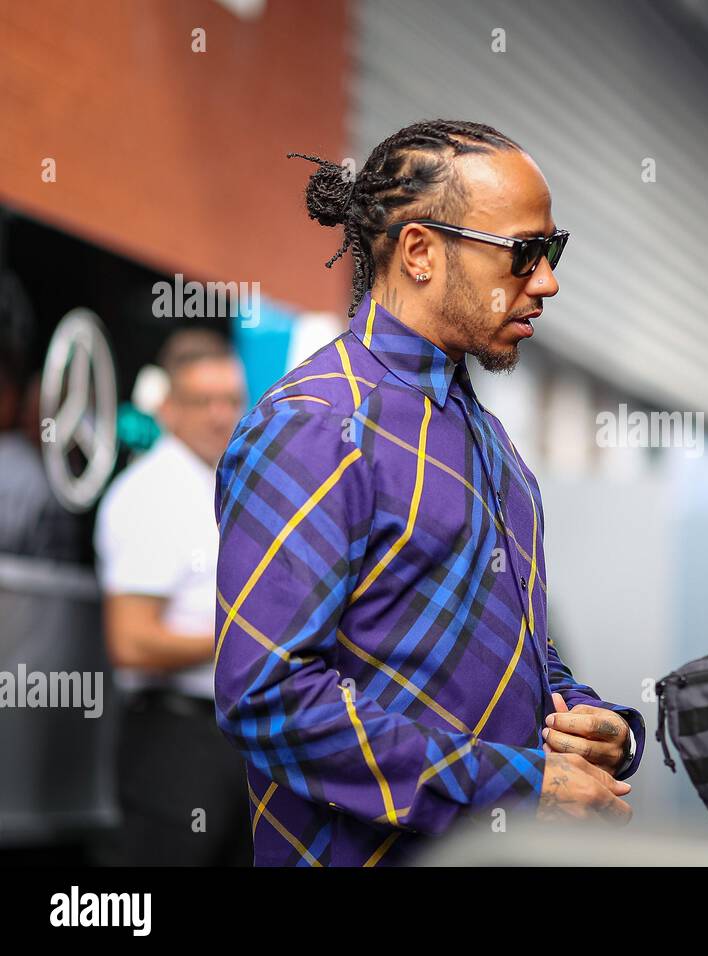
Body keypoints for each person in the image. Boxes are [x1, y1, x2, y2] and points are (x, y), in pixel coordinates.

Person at [214, 119, 643, 867]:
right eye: (524, 253)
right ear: (419, 251)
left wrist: (593, 722)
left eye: (553, 250)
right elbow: (270, 700)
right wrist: (523, 785)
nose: (546, 280)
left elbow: (520, 659)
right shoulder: (316, 426)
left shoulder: (494, 446)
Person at [93, 328, 251, 865]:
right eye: (200, 401)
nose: (218, 414)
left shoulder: (218, 485)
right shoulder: (149, 492)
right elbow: (132, 643)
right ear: (167, 408)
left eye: (230, 399)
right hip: (175, 740)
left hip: (231, 739)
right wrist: (246, 635)